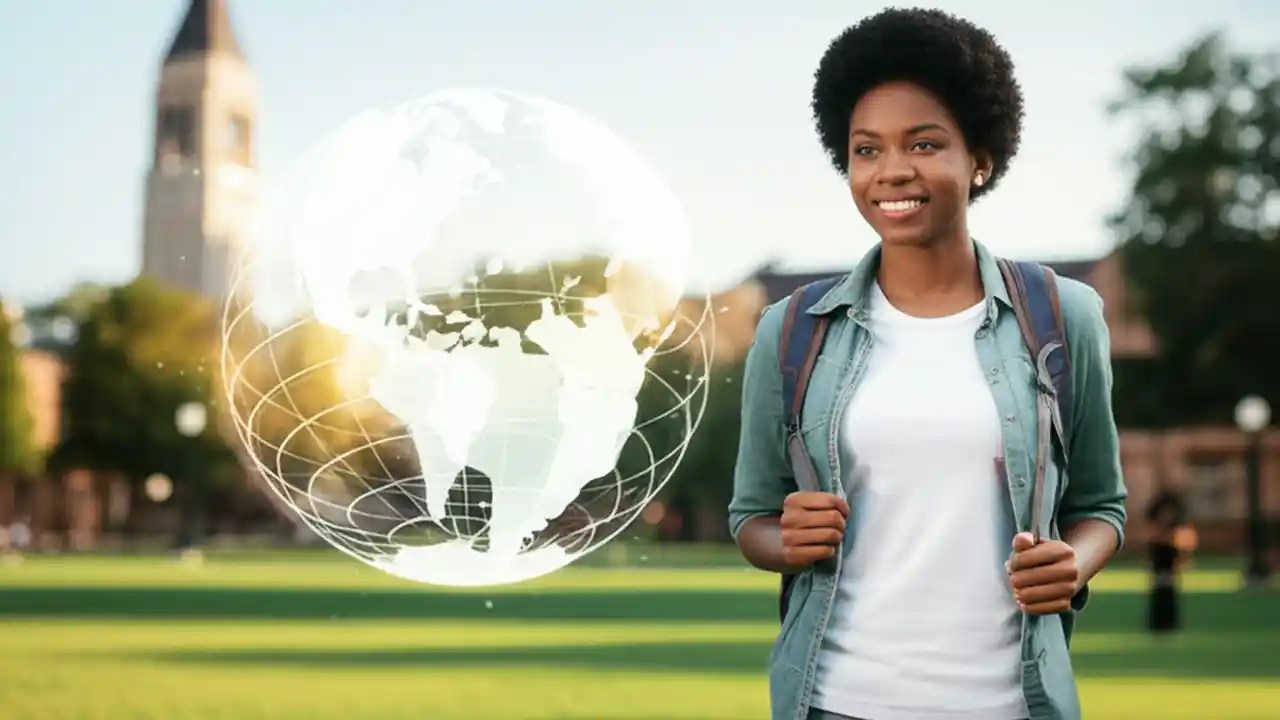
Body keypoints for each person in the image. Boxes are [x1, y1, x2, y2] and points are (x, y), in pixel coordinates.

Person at [727, 9, 1128, 720]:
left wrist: (1074, 562)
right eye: (866, 150)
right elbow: (750, 517)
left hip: (1012, 704)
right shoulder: (790, 332)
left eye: (924, 143)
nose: (892, 172)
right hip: (834, 700)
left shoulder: (1065, 318)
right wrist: (783, 539)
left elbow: (1100, 506)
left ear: (981, 158)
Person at [1145, 491, 1196, 633]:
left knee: (1169, 597)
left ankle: (1169, 624)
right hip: (1159, 572)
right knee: (1159, 597)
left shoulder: (1176, 535)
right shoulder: (1156, 535)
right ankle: (1157, 624)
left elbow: (1181, 553)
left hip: (1170, 573)